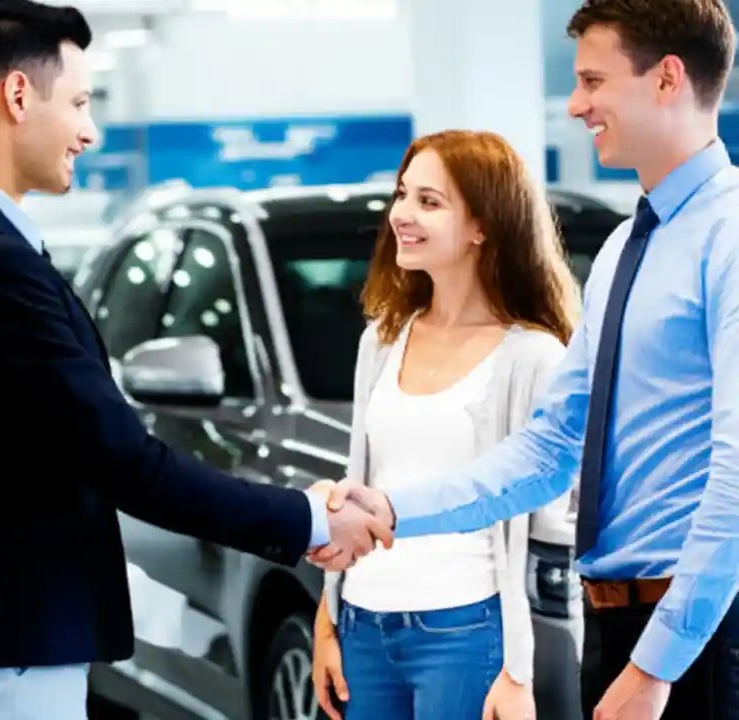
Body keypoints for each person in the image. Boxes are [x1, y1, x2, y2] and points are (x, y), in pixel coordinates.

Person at [0, 1, 392, 717]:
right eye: (80, 102)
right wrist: (307, 518)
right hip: (3, 644)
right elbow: (122, 460)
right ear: (17, 95)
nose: (89, 131)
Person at [313, 1, 739, 718]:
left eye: (593, 81)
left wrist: (658, 665)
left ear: (667, 79)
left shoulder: (727, 238)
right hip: (617, 620)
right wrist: (390, 508)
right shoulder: (621, 255)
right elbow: (546, 452)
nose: (576, 105)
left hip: (700, 631)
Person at [309, 130, 579, 720]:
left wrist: (518, 671)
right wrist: (327, 618)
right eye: (403, 195)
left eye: (429, 202)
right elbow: (361, 476)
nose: (402, 214)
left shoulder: (533, 356)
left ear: (483, 226)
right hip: (364, 624)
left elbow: (553, 532)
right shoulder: (380, 340)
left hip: (465, 632)